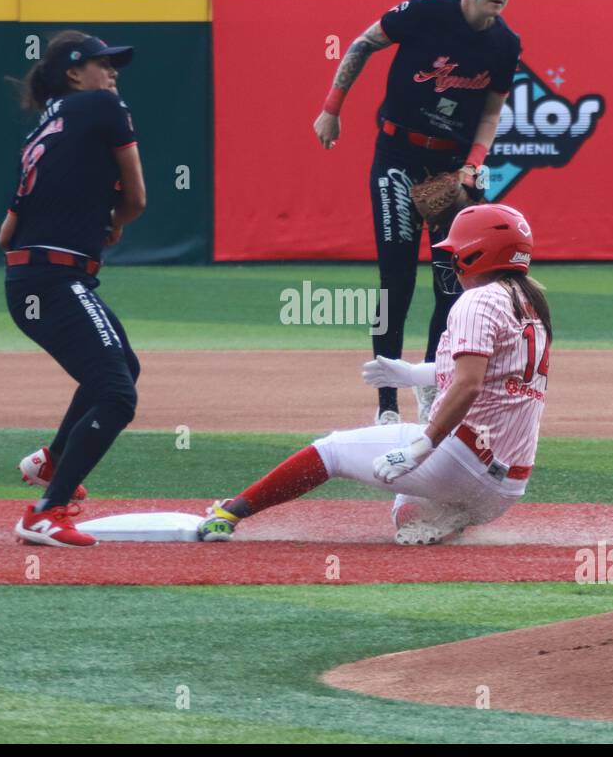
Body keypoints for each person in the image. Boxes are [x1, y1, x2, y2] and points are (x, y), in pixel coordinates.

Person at [198, 203, 550, 546]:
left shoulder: (479, 300)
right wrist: (413, 374)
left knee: (331, 451)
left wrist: (421, 445)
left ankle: (230, 513)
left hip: (461, 463)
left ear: (476, 253)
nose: (452, 259)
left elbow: (470, 383)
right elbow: (492, 376)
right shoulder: (531, 305)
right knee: (406, 508)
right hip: (505, 487)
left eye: (458, 251)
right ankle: (451, 519)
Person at [313, 0, 525, 425]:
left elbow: (491, 111)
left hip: (451, 167)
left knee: (454, 283)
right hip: (398, 153)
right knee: (397, 277)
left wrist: (473, 163)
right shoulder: (426, 12)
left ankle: (430, 386)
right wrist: (331, 108)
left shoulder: (505, 43)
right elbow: (364, 43)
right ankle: (386, 402)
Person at [0, 30, 147, 548]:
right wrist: (116, 220)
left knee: (121, 369)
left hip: (28, 279)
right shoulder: (103, 108)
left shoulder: (42, 130)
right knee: (116, 393)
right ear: (73, 72)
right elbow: (137, 198)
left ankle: (52, 462)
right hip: (57, 277)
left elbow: (4, 234)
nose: (112, 73)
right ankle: (46, 512)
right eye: (103, 64)